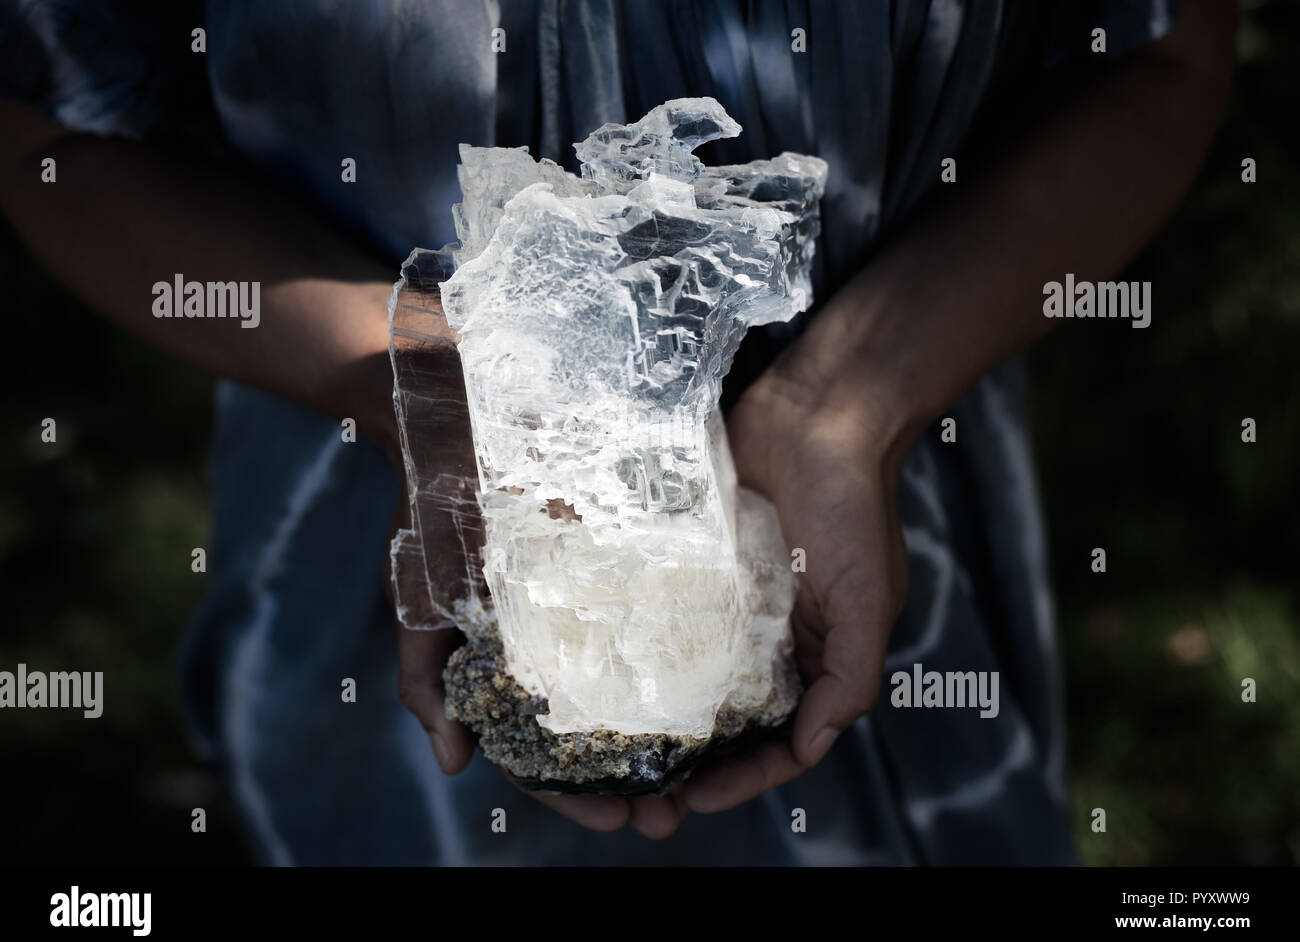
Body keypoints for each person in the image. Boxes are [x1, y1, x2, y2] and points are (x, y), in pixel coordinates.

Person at [0, 0, 1233, 864]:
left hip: (879, 503)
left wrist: (851, 403)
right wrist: (408, 384)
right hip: (381, 495)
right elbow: (47, 135)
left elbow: (1164, 52)